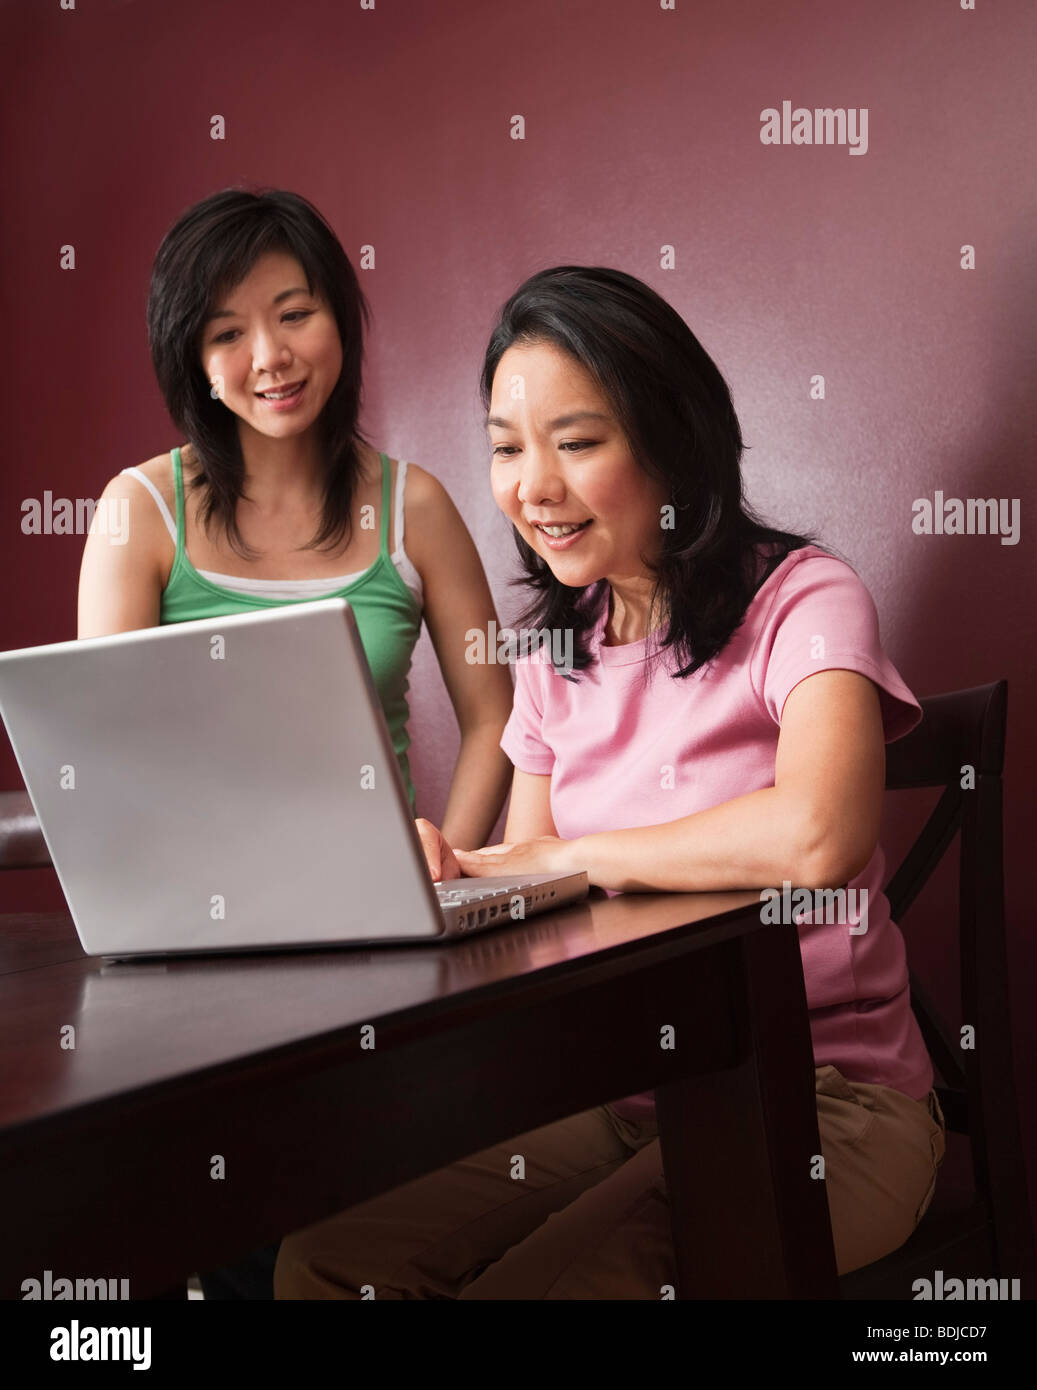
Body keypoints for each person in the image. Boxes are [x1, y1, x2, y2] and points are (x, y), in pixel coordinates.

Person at [272, 265, 947, 1299]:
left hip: (826, 1099)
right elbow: (528, 902)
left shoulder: (805, 600)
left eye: (576, 441)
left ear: (670, 439)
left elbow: (818, 834)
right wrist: (443, 871)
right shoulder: (553, 653)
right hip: (609, 1096)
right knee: (325, 1261)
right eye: (506, 448)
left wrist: (577, 857)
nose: (530, 485)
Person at [76, 187, 515, 1297]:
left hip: (387, 944)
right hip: (189, 958)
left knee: (360, 1212)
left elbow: (497, 715)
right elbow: (102, 757)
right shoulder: (139, 511)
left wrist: (444, 870)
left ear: (341, 321)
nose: (269, 356)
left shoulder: (413, 508)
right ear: (193, 356)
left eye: (293, 312)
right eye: (226, 333)